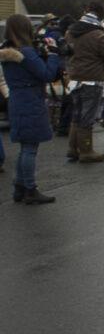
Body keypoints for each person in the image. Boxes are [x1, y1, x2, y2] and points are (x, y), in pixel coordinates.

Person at [1, 14, 61, 204]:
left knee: (24, 146)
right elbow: (47, 74)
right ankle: (30, 189)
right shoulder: (26, 52)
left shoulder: (6, 51)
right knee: (30, 148)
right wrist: (52, 54)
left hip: (17, 99)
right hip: (31, 100)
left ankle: (20, 187)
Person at [65, 2, 104, 163]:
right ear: (100, 16)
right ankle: (86, 150)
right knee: (87, 116)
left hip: (75, 78)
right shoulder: (98, 35)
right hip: (92, 78)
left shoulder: (71, 32)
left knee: (76, 114)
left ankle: (72, 148)